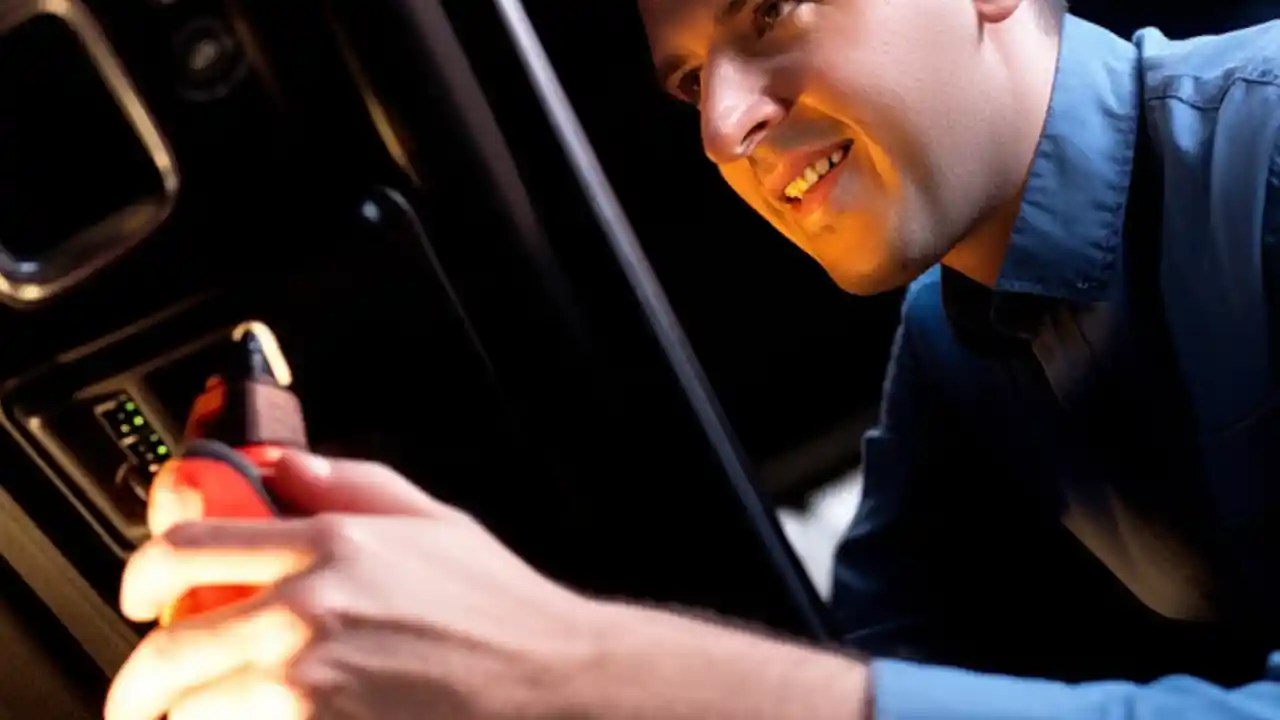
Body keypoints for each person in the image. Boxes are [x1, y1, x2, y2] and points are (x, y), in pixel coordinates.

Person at [103, 1, 1280, 718]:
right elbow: (848, 662)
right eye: (686, 82)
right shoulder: (948, 344)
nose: (721, 129)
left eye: (767, 9)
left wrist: (565, 669)